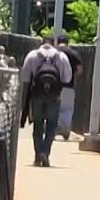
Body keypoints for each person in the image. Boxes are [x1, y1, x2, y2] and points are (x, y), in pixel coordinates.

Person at [19, 39, 71, 167]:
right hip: (54, 96)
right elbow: (67, 78)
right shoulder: (61, 57)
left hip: (36, 95)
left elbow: (25, 77)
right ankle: (45, 152)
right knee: (52, 125)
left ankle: (38, 155)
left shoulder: (32, 55)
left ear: (41, 43)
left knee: (38, 125)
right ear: (53, 44)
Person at [56, 42, 84, 141]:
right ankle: (64, 128)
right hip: (69, 86)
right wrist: (72, 75)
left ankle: (53, 128)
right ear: (67, 43)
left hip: (53, 87)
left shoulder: (54, 54)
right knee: (67, 108)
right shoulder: (73, 54)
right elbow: (79, 69)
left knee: (53, 107)